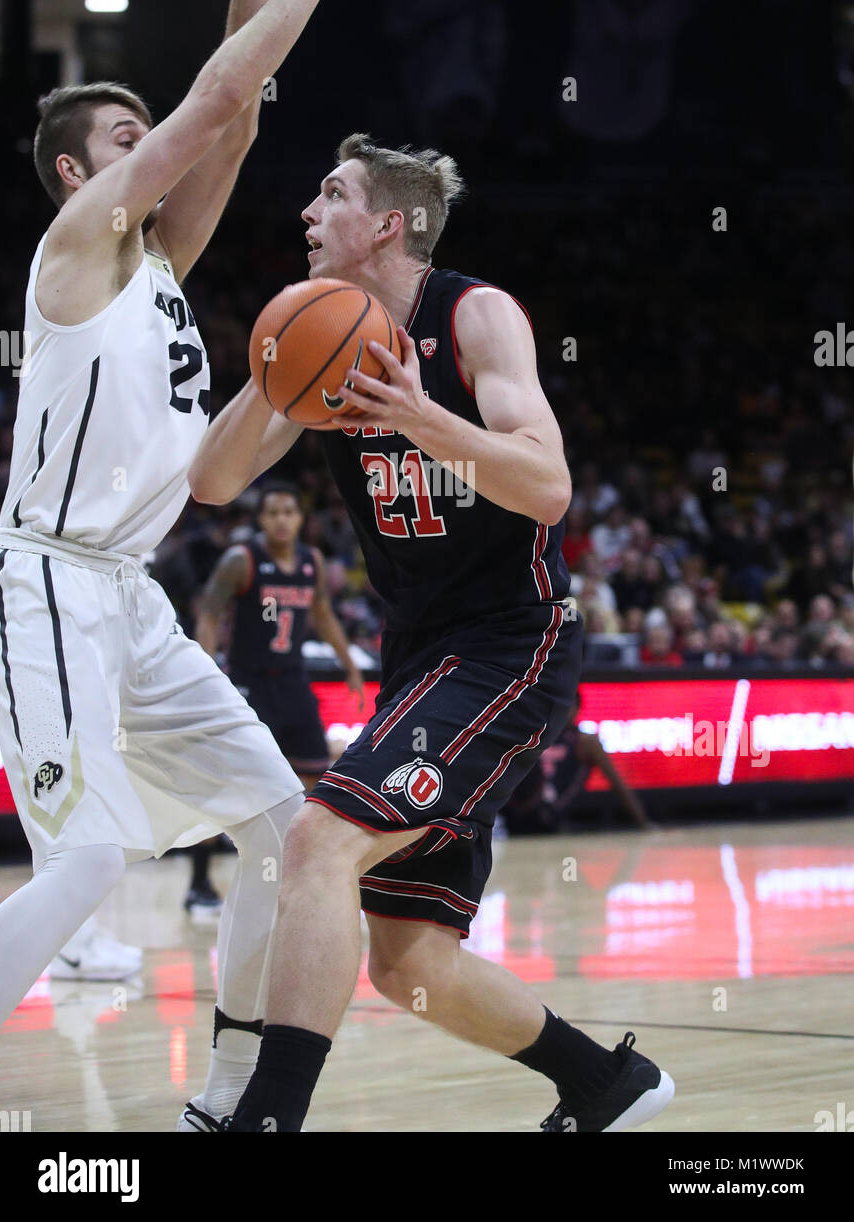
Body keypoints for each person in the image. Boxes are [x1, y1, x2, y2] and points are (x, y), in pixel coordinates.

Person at [190, 135, 675, 1132]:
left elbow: (546, 484)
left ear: (388, 223)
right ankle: (603, 1083)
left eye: (330, 195)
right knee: (406, 963)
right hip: (422, 657)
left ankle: (266, 1118)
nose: (306, 214)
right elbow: (211, 481)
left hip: (510, 638)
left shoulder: (474, 314)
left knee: (320, 839)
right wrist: (274, 361)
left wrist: (419, 416)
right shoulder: (324, 332)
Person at [0, 0, 344, 1133]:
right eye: (129, 139)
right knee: (85, 859)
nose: (159, 145)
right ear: (77, 175)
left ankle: (231, 1099)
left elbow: (233, 119)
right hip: (45, 578)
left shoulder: (160, 265)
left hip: (127, 598)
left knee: (280, 824)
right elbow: (221, 93)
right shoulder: (79, 245)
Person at [186, 482, 365, 913]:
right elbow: (208, 613)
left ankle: (299, 883)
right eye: (274, 512)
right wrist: (205, 673)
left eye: (290, 511)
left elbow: (321, 612)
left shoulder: (311, 562)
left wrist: (351, 665)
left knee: (313, 783)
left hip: (293, 682)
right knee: (226, 786)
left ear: (301, 519)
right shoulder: (242, 559)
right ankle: (199, 886)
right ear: (261, 519)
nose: (282, 519)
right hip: (249, 684)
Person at [504, 691, 652, 835]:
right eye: (555, 704)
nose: (560, 709)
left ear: (577, 709)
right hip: (512, 817)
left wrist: (643, 823)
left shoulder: (585, 742)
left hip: (549, 820)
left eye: (566, 705)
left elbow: (619, 786)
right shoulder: (530, 735)